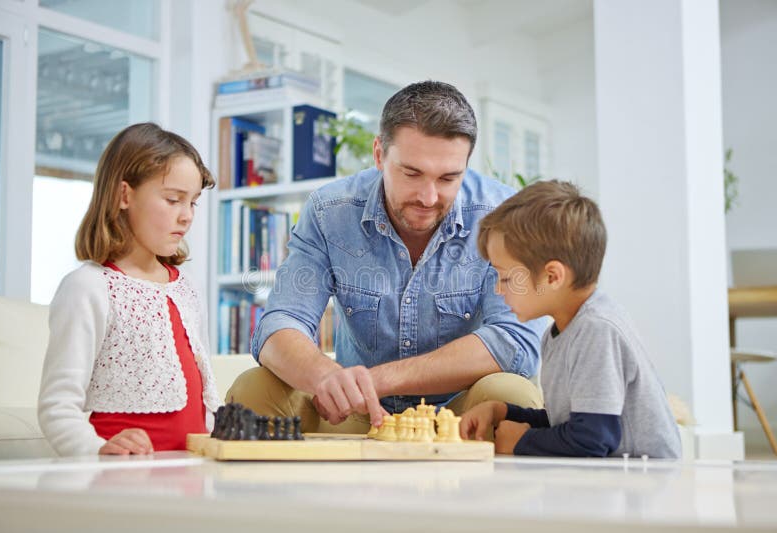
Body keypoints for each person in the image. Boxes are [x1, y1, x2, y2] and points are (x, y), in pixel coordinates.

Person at [227, 80, 547, 433]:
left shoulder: (504, 215)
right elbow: (279, 322)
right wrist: (330, 379)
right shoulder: (329, 211)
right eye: (412, 173)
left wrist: (377, 380)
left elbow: (514, 342)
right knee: (253, 388)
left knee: (511, 392)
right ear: (379, 154)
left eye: (448, 178)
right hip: (355, 414)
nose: (428, 197)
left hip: (456, 416)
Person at [460, 180, 682, 458]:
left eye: (506, 277)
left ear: (552, 276)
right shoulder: (561, 332)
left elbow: (592, 440)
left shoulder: (596, 330)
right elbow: (567, 425)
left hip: (641, 485)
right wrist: (503, 411)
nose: (498, 289)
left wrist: (521, 442)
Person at [38, 123, 221, 456]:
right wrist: (97, 450)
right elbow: (57, 406)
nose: (186, 217)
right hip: (122, 479)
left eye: (193, 202)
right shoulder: (89, 288)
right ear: (124, 195)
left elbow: (205, 399)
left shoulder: (187, 288)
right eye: (173, 200)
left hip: (192, 474)